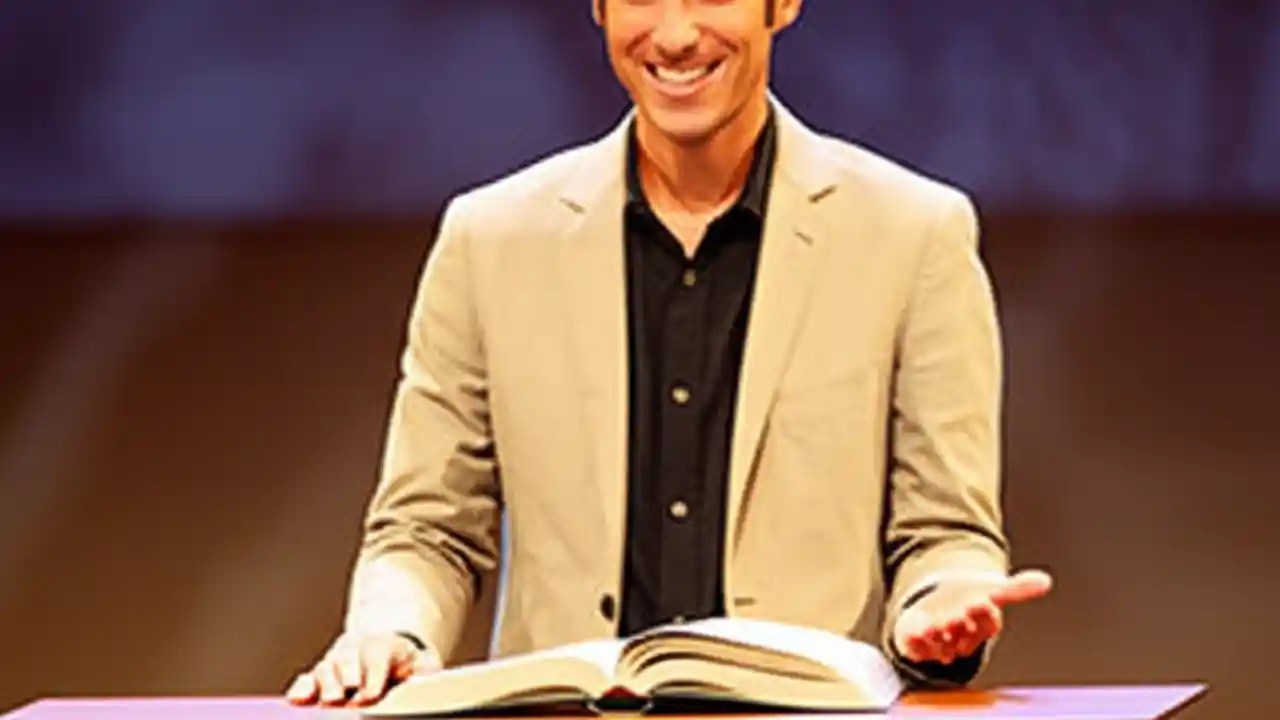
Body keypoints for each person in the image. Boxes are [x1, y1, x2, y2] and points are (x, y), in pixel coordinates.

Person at [287, 0, 1052, 707]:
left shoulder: (913, 232)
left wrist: (937, 602)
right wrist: (393, 630)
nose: (677, 34)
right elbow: (426, 527)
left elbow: (945, 533)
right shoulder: (491, 238)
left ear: (781, 4)